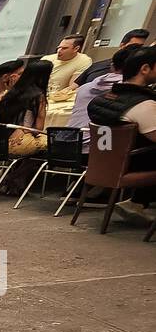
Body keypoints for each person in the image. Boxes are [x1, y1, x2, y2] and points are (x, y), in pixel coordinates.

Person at [87, 45, 156, 219]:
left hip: (101, 162)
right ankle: (139, 202)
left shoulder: (100, 100)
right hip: (129, 166)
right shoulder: (144, 105)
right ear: (145, 69)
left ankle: (138, 201)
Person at [69, 45, 137, 146]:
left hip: (66, 142)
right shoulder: (129, 92)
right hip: (99, 149)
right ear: (144, 69)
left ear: (112, 66)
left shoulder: (85, 87)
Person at [43, 35, 92, 128]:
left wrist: (60, 94)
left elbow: (73, 85)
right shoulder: (47, 59)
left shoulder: (83, 60)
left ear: (76, 49)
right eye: (59, 47)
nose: (59, 51)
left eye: (64, 48)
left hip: (60, 98)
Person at [74, 29, 149, 87]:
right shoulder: (97, 66)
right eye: (134, 46)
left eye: (141, 47)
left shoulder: (142, 74)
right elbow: (74, 86)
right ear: (122, 46)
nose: (137, 50)